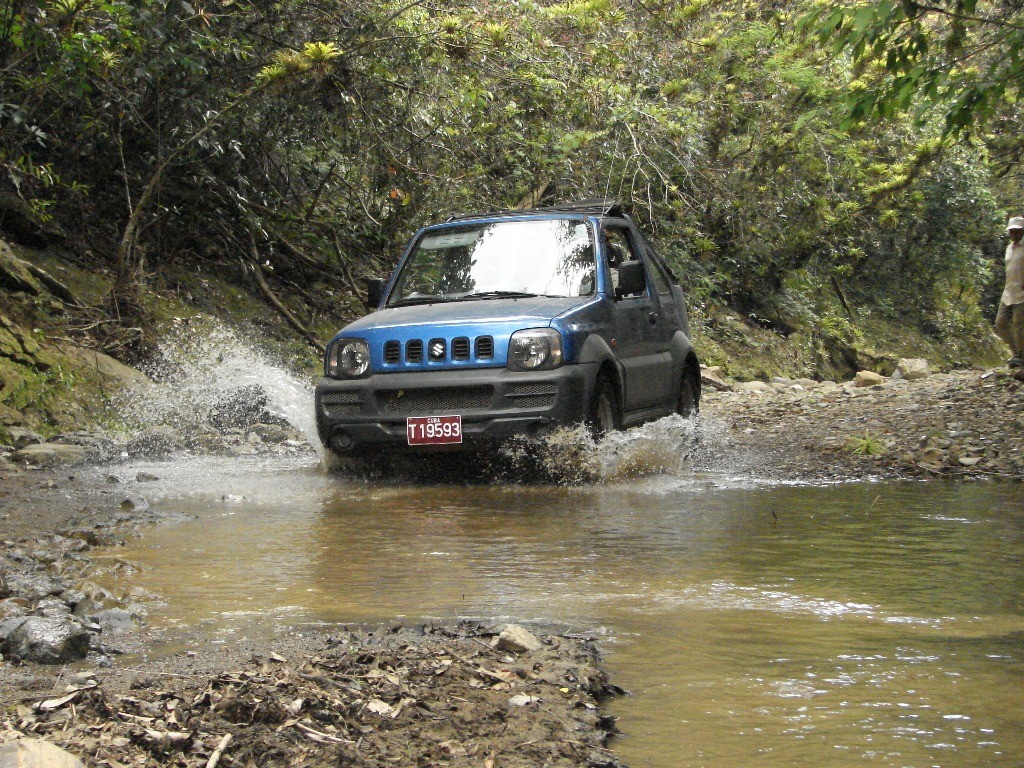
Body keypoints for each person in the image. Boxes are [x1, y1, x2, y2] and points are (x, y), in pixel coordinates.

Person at [996, 216, 1024, 368]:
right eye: (1012, 230)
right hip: (1008, 291)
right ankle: (1016, 352)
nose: (1014, 233)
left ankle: (1021, 356)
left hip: (1021, 292)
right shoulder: (1009, 248)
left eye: (1017, 231)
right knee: (1000, 323)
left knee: (1019, 325)